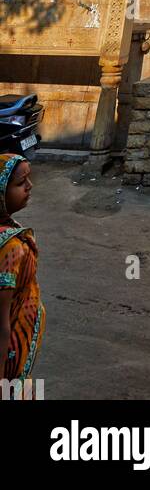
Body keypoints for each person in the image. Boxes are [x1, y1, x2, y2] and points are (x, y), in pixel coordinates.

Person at [0, 154, 45, 388]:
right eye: (20, 183)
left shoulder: (9, 231)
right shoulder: (10, 247)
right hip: (9, 359)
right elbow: (1, 322)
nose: (30, 186)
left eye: (28, 179)